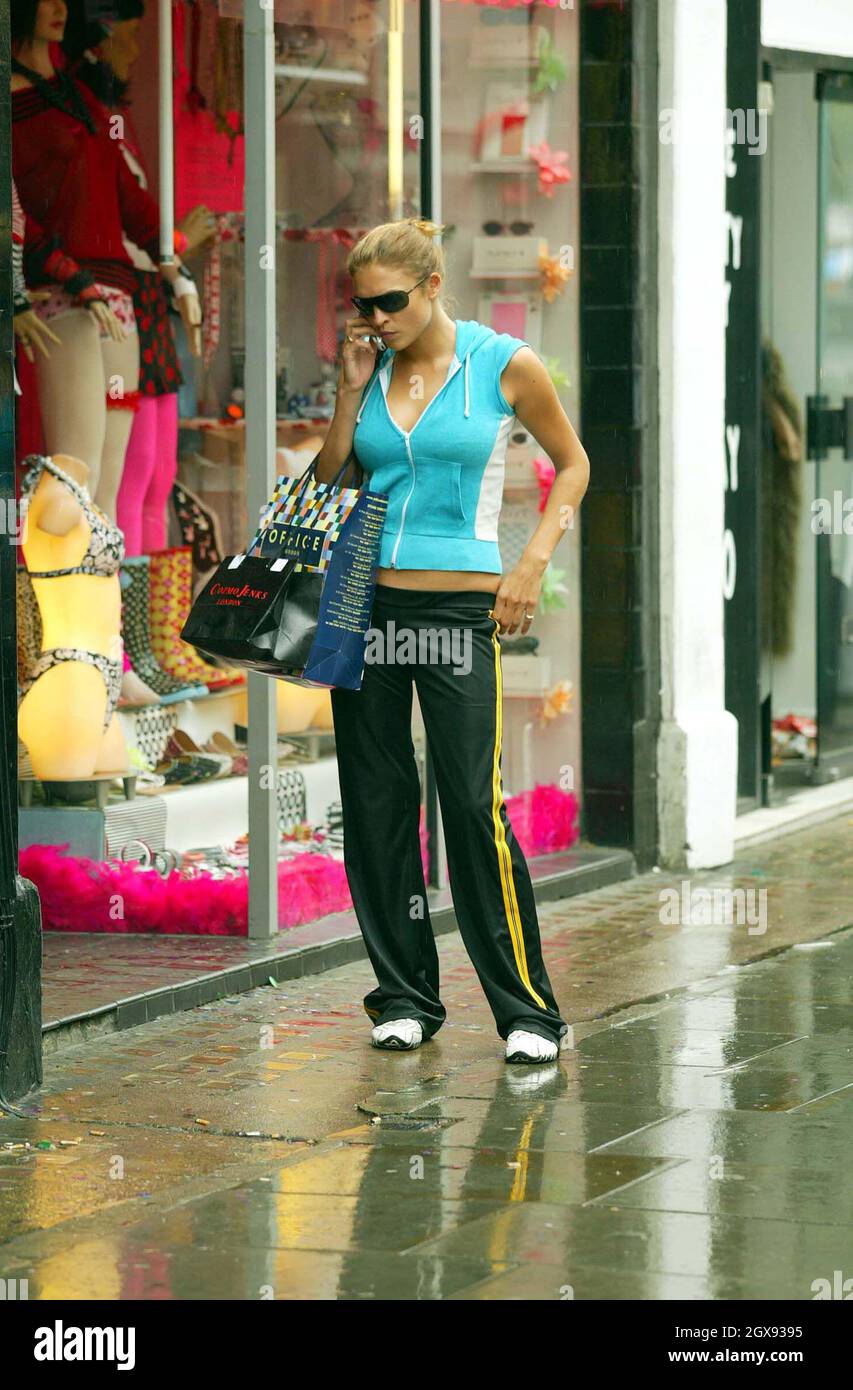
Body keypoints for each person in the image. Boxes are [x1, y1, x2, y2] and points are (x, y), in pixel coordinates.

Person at [314, 217, 590, 1064]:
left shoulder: (502, 363)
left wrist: (529, 564)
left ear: (433, 286)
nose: (376, 319)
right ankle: (402, 995)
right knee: (376, 802)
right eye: (361, 307)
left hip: (457, 615)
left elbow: (572, 465)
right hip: (361, 607)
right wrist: (349, 388)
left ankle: (528, 1011)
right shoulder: (372, 365)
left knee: (471, 806)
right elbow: (330, 481)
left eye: (389, 303)